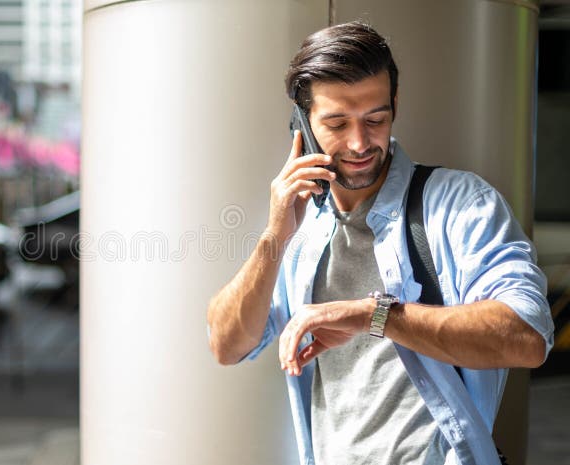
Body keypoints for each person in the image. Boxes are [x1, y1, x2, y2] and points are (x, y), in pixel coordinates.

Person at [206, 21, 554, 465]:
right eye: (336, 123)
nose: (359, 142)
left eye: (376, 119)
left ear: (395, 105)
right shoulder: (300, 228)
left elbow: (526, 337)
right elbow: (226, 343)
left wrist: (376, 316)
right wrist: (275, 236)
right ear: (302, 124)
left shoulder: (461, 204)